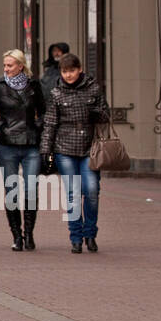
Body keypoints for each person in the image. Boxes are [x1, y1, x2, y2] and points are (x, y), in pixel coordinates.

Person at [40, 53, 110, 254]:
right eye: (64, 71)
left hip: (90, 148)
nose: (68, 75)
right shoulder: (56, 92)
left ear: (79, 69)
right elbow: (50, 123)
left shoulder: (93, 88)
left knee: (92, 190)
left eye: (72, 71)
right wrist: (46, 149)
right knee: (73, 194)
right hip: (65, 149)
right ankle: (76, 237)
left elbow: (106, 115)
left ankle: (90, 233)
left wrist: (96, 112)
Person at [0, 49, 46, 251]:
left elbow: (44, 112)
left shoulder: (34, 85)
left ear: (21, 66)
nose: (6, 69)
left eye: (10, 65)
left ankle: (29, 235)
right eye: (5, 65)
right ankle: (16, 236)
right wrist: (2, 127)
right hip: (7, 145)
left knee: (30, 190)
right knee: (12, 191)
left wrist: (36, 127)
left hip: (31, 145)